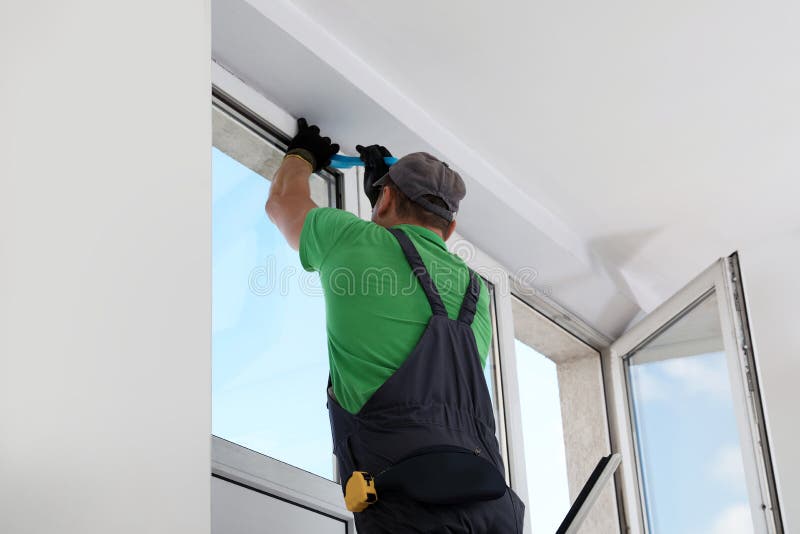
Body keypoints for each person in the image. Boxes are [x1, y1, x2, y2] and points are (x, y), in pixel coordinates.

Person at [266, 118, 525, 533]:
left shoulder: (350, 240)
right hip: (492, 515)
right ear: (450, 228)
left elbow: (282, 203)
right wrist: (383, 209)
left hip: (410, 515)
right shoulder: (475, 293)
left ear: (384, 198)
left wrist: (302, 156)